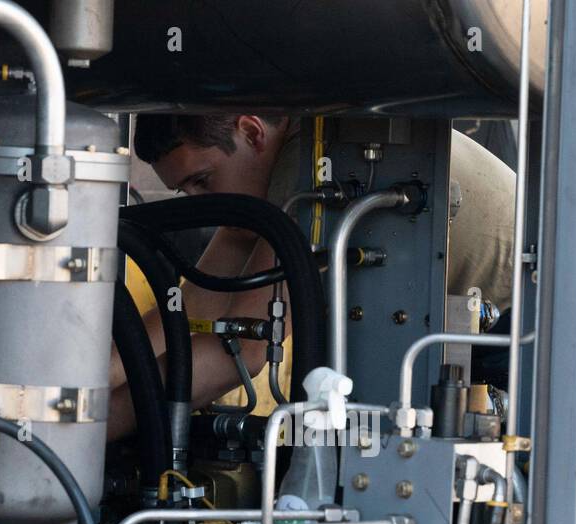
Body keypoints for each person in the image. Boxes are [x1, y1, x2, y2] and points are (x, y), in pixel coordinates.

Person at [107, 114, 516, 438]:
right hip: (463, 337)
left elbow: (246, 349)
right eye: (185, 191)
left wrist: (96, 432)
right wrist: (84, 391)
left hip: (520, 337)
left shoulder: (315, 155)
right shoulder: (278, 164)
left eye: (202, 181)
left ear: (251, 132)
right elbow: (191, 307)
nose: (200, 204)